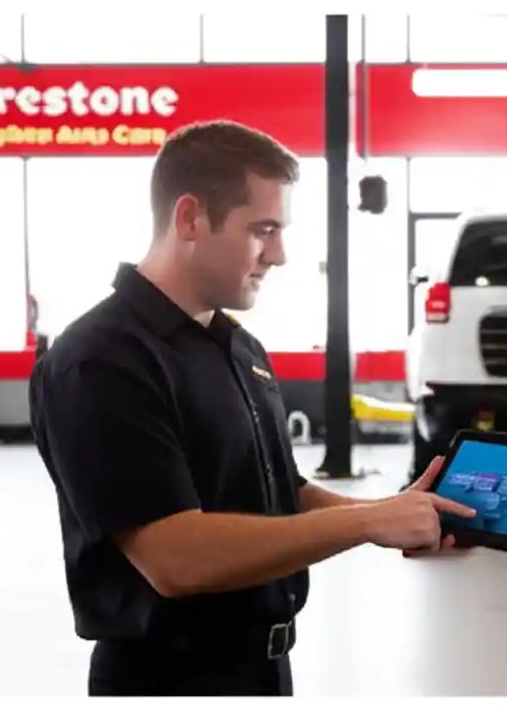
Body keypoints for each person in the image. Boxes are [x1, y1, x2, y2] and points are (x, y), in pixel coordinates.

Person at [28, 120, 475, 697]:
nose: (280, 255)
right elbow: (175, 558)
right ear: (189, 218)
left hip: (262, 670)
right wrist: (364, 522)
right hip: (165, 682)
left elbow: (280, 492)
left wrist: (394, 512)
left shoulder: (237, 346)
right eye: (263, 230)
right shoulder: (99, 362)